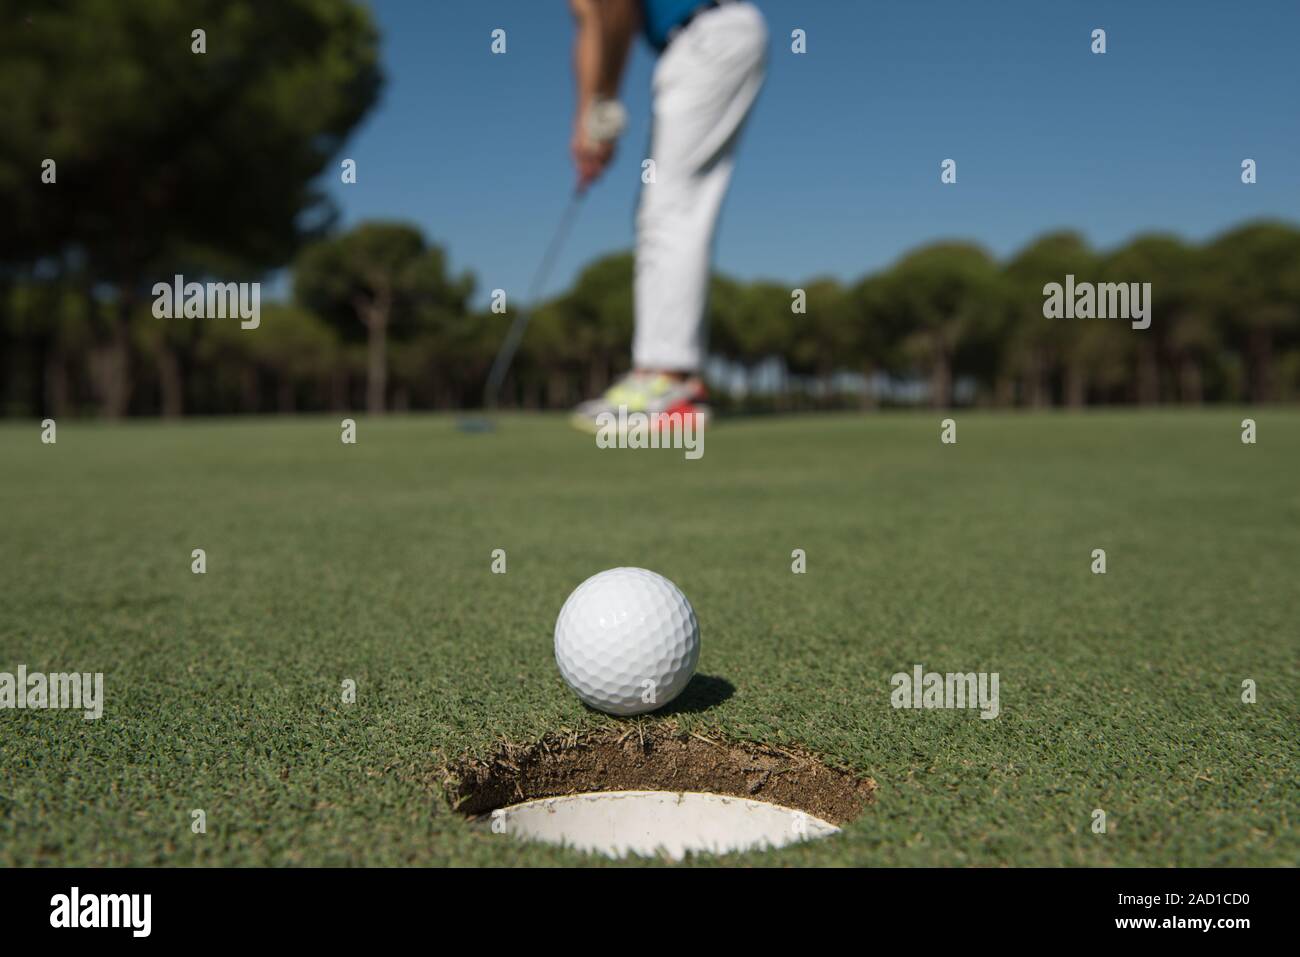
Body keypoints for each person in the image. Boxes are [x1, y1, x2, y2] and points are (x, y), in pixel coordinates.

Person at [567, 0, 768, 432]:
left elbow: (607, 10)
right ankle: (662, 377)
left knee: (672, 208)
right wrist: (597, 112)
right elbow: (600, 19)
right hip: (706, 38)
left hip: (706, 36)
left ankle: (669, 382)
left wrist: (596, 114)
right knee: (666, 206)